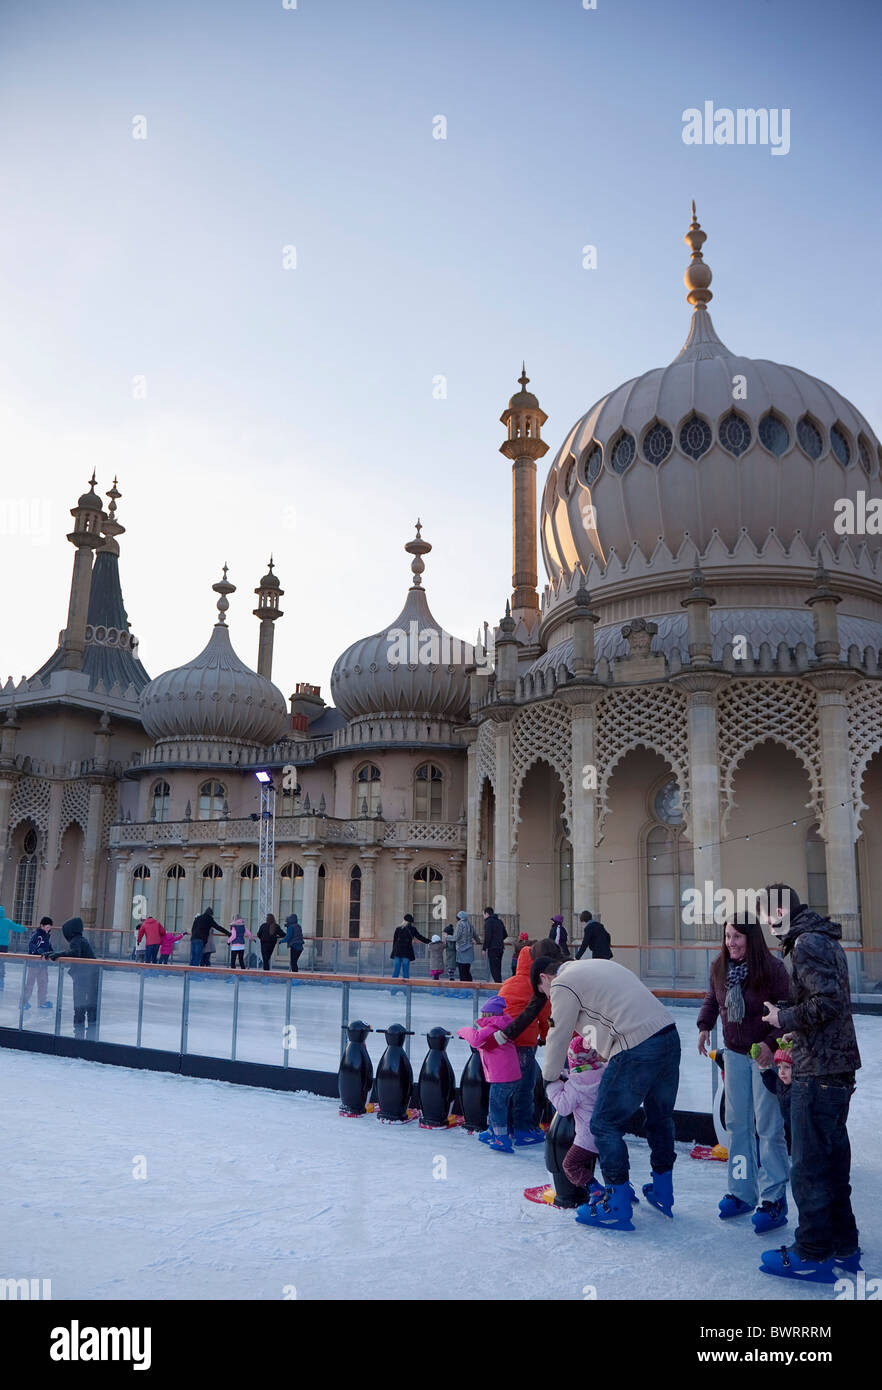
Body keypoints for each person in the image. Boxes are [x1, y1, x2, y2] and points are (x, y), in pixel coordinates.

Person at [757, 883, 862, 1282]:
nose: (766, 923)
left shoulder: (806, 943)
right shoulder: (817, 939)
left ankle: (814, 1252)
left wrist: (783, 1020)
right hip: (830, 1065)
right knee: (831, 1162)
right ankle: (843, 1245)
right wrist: (786, 1014)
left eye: (768, 914)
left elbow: (828, 1003)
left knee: (810, 1167)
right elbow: (820, 1000)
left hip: (819, 1071)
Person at [534, 953, 680, 1230]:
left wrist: (549, 1078)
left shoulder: (562, 983)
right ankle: (663, 1190)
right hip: (668, 1035)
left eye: (545, 993)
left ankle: (616, 1203)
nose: (549, 999)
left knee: (604, 1124)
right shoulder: (600, 964)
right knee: (660, 1118)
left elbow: (558, 1033)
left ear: (544, 978)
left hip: (636, 1045)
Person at [697, 911, 791, 1233]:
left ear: (751, 938)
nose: (731, 942)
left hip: (764, 1055)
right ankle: (741, 1192)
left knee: (768, 1126)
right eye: (727, 936)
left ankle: (774, 1198)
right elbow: (713, 999)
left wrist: (769, 1043)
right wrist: (704, 1026)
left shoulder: (773, 969)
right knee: (738, 1125)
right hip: (736, 1054)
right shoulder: (719, 968)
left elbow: (787, 1011)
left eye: (737, 936)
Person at [497, 937, 550, 1146]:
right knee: (525, 1088)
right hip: (525, 1044)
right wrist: (545, 1038)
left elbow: (498, 1007)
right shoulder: (536, 987)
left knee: (506, 1087)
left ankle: (504, 1127)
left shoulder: (508, 983)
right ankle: (522, 1130)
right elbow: (546, 1016)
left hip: (504, 1041)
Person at [457, 995, 521, 1152]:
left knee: (497, 1106)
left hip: (502, 1077)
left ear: (489, 1015)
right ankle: (493, 1131)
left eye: (484, 1013)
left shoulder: (493, 1027)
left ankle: (501, 1138)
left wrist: (463, 1030)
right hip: (509, 1075)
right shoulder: (502, 1025)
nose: (482, 1016)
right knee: (500, 1104)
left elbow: (476, 1039)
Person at [546, 1033, 607, 1195]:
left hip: (588, 1138)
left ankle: (595, 1191)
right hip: (610, 1133)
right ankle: (623, 1191)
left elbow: (564, 1107)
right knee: (612, 1165)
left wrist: (553, 1086)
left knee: (570, 1165)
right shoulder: (605, 1073)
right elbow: (588, 1070)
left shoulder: (575, 1085)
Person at [49, 918, 99, 1041]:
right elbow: (73, 953)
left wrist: (58, 954)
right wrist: (55, 953)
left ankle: (80, 1034)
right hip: (89, 976)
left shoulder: (76, 941)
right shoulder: (81, 940)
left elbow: (74, 954)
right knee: (89, 1006)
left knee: (80, 1006)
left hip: (84, 978)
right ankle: (89, 1032)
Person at [24, 916, 54, 1009]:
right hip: (34, 964)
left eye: (50, 928)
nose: (48, 929)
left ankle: (42, 1002)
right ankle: (24, 1002)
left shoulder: (47, 935)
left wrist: (53, 953)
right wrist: (39, 951)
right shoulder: (36, 934)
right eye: (47, 927)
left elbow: (48, 946)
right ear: (42, 926)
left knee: (43, 983)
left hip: (43, 964)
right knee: (30, 983)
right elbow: (31, 945)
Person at [390, 913, 430, 982]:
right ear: (411, 922)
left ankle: (393, 988)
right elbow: (420, 937)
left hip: (397, 951)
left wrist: (393, 952)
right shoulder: (412, 929)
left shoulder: (398, 929)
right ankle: (407, 989)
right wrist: (430, 941)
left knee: (396, 971)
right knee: (406, 971)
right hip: (406, 952)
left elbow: (395, 941)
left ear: (404, 920)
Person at [482, 907, 507, 983]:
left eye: (483, 914)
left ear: (486, 913)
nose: (483, 916)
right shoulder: (499, 921)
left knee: (494, 969)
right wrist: (498, 939)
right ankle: (498, 984)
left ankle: (498, 986)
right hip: (500, 948)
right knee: (498, 968)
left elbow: (488, 936)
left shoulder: (488, 922)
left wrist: (484, 948)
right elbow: (505, 934)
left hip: (493, 948)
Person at [0, 903, 23, 989]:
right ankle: (1, 982)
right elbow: (16, 927)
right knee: (1, 963)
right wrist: (24, 928)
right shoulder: (7, 921)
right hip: (3, 946)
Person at [454, 910, 475, 982]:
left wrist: (447, 937)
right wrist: (478, 942)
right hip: (469, 949)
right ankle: (470, 986)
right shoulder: (470, 924)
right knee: (467, 970)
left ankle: (464, 988)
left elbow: (456, 937)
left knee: (462, 971)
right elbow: (475, 935)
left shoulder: (460, 924)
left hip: (462, 950)